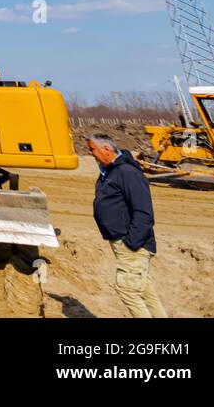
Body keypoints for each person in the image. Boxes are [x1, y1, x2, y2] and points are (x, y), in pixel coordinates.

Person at [87, 134, 166, 318]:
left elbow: (144, 212)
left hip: (133, 244)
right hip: (124, 242)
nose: (91, 154)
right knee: (145, 292)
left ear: (106, 149)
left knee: (128, 292)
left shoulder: (127, 172)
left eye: (92, 149)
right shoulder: (111, 171)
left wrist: (130, 243)